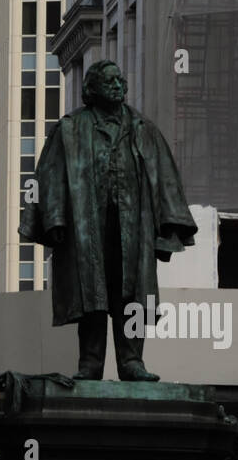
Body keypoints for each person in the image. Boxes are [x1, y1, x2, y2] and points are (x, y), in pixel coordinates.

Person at [19, 60, 197, 380]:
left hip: (133, 231)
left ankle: (132, 361)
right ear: (92, 89)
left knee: (131, 295)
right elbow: (51, 176)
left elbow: (166, 181)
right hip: (88, 229)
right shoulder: (71, 129)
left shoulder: (144, 129)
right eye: (109, 81)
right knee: (93, 298)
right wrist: (55, 220)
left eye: (120, 80)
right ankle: (90, 363)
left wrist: (168, 227)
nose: (118, 85)